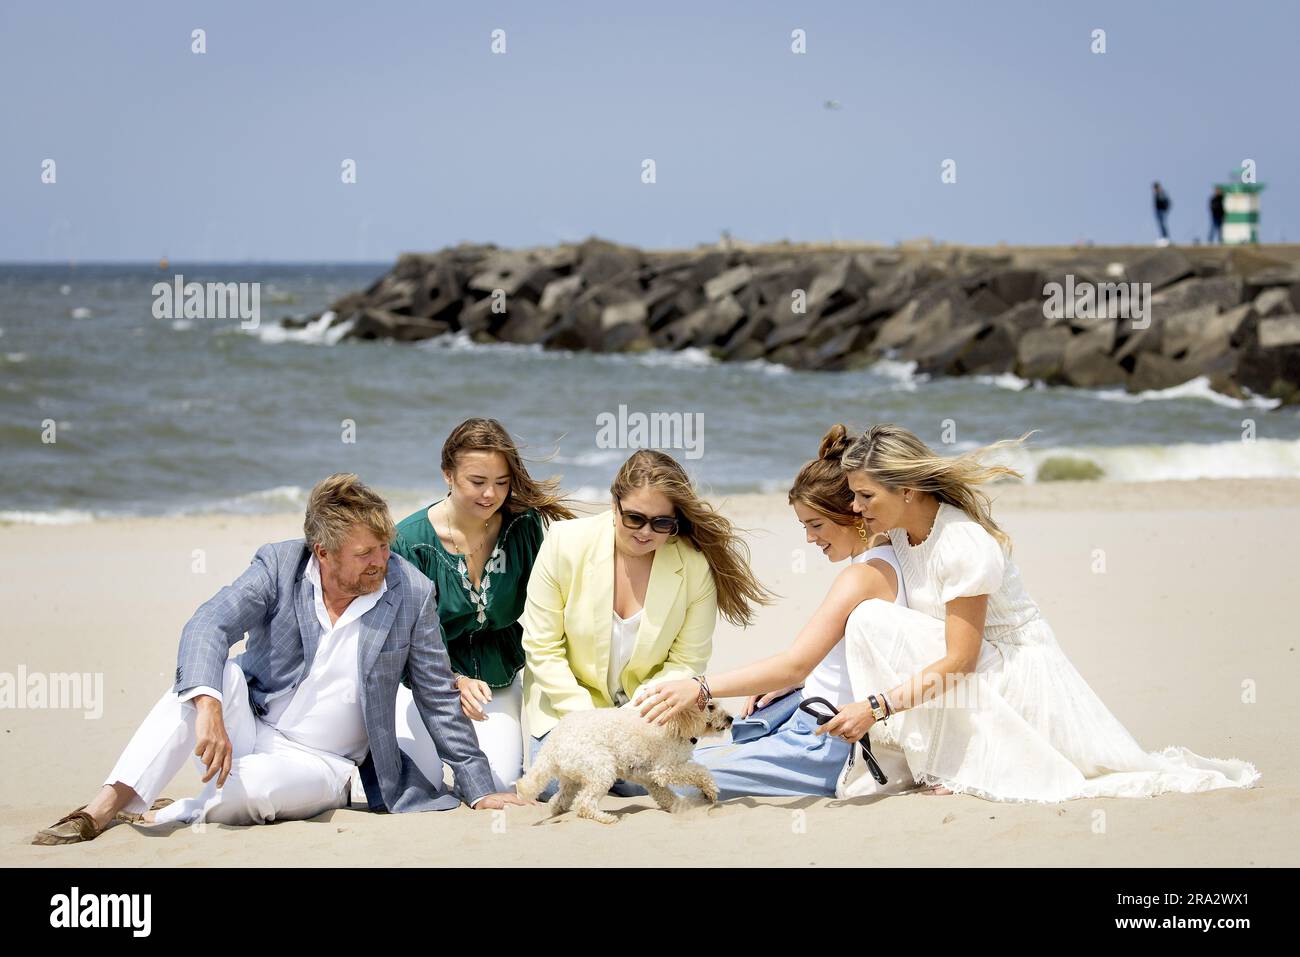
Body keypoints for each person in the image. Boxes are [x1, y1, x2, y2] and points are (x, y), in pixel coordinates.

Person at [32, 474, 525, 845]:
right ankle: (104, 806)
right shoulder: (280, 566)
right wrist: (209, 707)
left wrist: (479, 786)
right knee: (208, 678)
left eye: (383, 546)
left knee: (251, 793)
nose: (381, 561)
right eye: (365, 553)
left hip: (321, 764)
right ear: (323, 552)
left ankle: (174, 809)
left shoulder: (409, 591)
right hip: (251, 721)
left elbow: (438, 696)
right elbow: (208, 624)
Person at [814, 424, 1259, 802]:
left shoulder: (962, 544)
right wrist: (796, 682)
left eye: (864, 496)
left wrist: (876, 708)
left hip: (1015, 674)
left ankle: (950, 758)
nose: (855, 508)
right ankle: (917, 755)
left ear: (907, 490)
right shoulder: (895, 536)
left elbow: (960, 661)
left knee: (871, 619)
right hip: (970, 677)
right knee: (869, 618)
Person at [637, 425, 916, 799]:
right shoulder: (885, 560)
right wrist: (801, 681)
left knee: (670, 779)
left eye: (815, 524)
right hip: (803, 717)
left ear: (850, 511)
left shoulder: (862, 575)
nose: (810, 538)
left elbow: (793, 664)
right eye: (804, 526)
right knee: (667, 767)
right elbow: (832, 660)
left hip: (823, 744)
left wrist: (699, 688)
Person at [520, 449, 774, 799]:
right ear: (614, 504)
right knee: (556, 787)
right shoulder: (565, 542)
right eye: (635, 518)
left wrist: (631, 720)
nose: (645, 532)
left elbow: (687, 660)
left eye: (661, 523)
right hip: (569, 713)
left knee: (667, 788)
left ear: (675, 522)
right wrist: (592, 723)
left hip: (648, 719)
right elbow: (541, 646)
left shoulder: (694, 566)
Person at [391, 418, 575, 792]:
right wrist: (453, 681)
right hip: (421, 679)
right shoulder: (409, 542)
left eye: (502, 483)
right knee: (417, 786)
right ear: (448, 475)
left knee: (498, 783)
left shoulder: (523, 527)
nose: (491, 495)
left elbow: (550, 605)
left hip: (497, 675)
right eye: (477, 482)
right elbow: (403, 636)